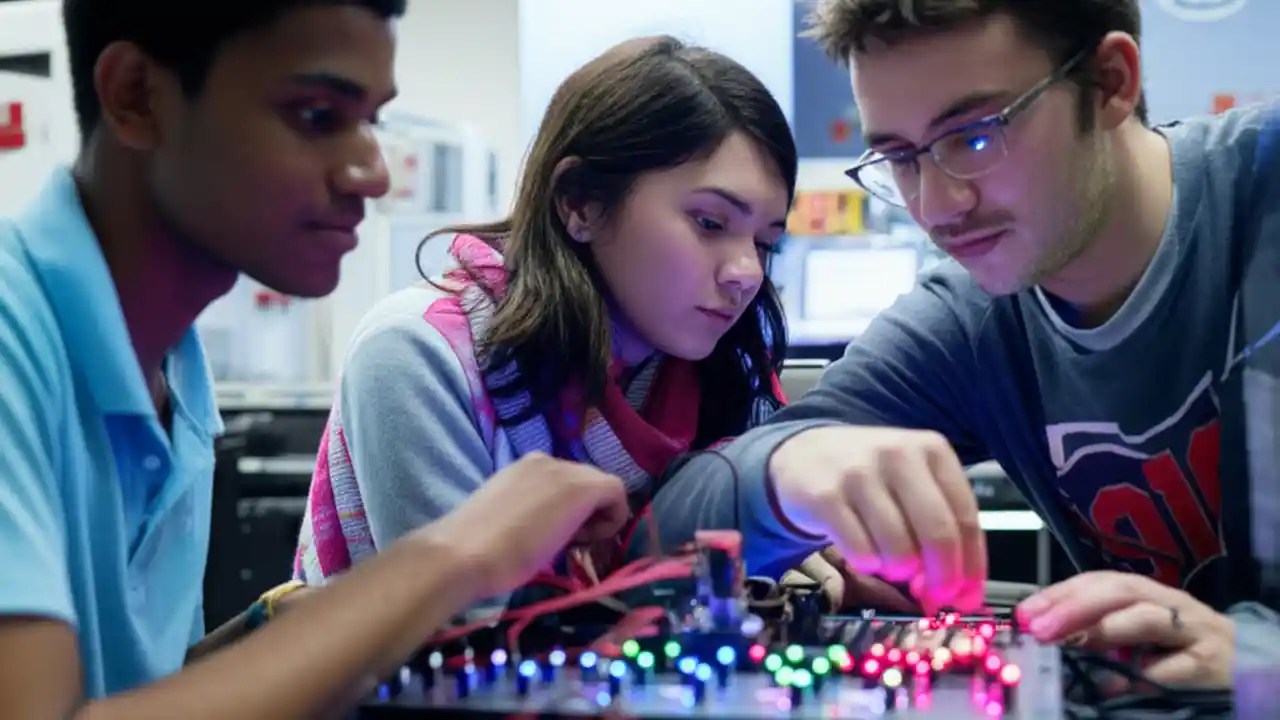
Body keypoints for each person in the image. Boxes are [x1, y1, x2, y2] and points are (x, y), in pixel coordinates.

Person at [0, 1, 632, 717]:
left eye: (371, 121)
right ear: (137, 96)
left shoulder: (172, 362)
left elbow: (134, 691)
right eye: (315, 116)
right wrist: (450, 558)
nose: (371, 172)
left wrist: (308, 621)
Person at [650, 0, 1280, 691]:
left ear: (1109, 82)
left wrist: (1261, 661)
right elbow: (663, 531)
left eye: (975, 137)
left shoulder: (1262, 191)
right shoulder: (974, 318)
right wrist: (788, 473)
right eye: (899, 157)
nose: (938, 206)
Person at [292, 36, 795, 602]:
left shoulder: (718, 376)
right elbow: (461, 630)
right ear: (579, 203)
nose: (746, 272)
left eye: (766, 243)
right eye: (709, 222)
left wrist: (785, 561)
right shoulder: (421, 354)